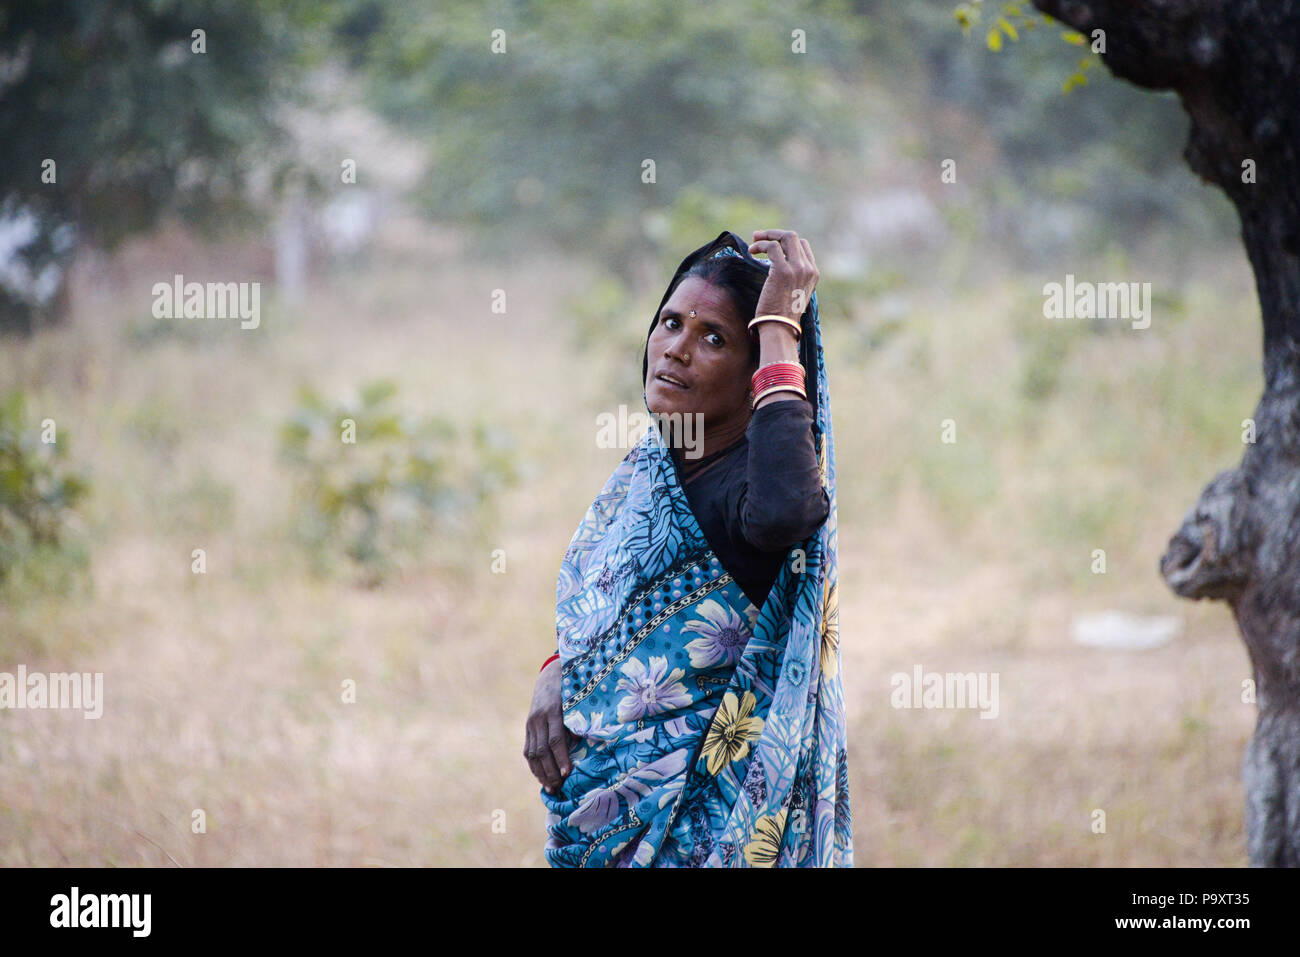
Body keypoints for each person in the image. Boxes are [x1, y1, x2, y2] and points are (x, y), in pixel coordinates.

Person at [523, 228, 851, 867]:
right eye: (670, 323)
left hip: (706, 833)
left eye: (714, 339)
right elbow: (606, 614)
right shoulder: (656, 471)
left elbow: (791, 510)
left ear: (756, 373)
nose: (675, 349)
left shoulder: (747, 491)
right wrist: (556, 670)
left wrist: (780, 326)